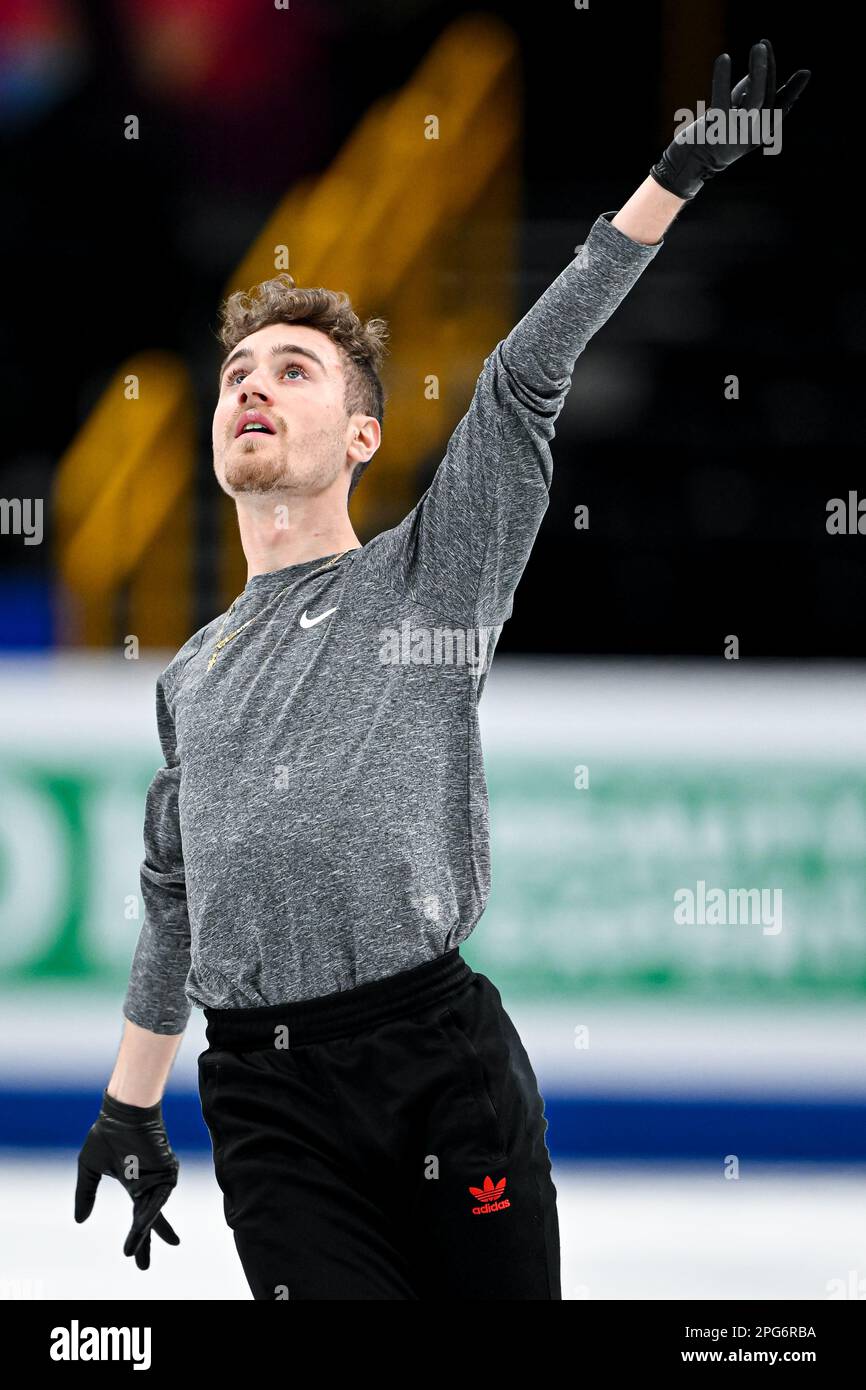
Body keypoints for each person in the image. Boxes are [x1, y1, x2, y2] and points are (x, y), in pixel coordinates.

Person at [75, 40, 809, 1299]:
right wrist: (129, 1108)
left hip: (438, 1069)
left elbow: (524, 379)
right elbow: (172, 900)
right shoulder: (188, 677)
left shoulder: (436, 576)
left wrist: (667, 184)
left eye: (292, 370)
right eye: (238, 375)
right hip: (265, 1098)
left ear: (362, 434)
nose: (253, 386)